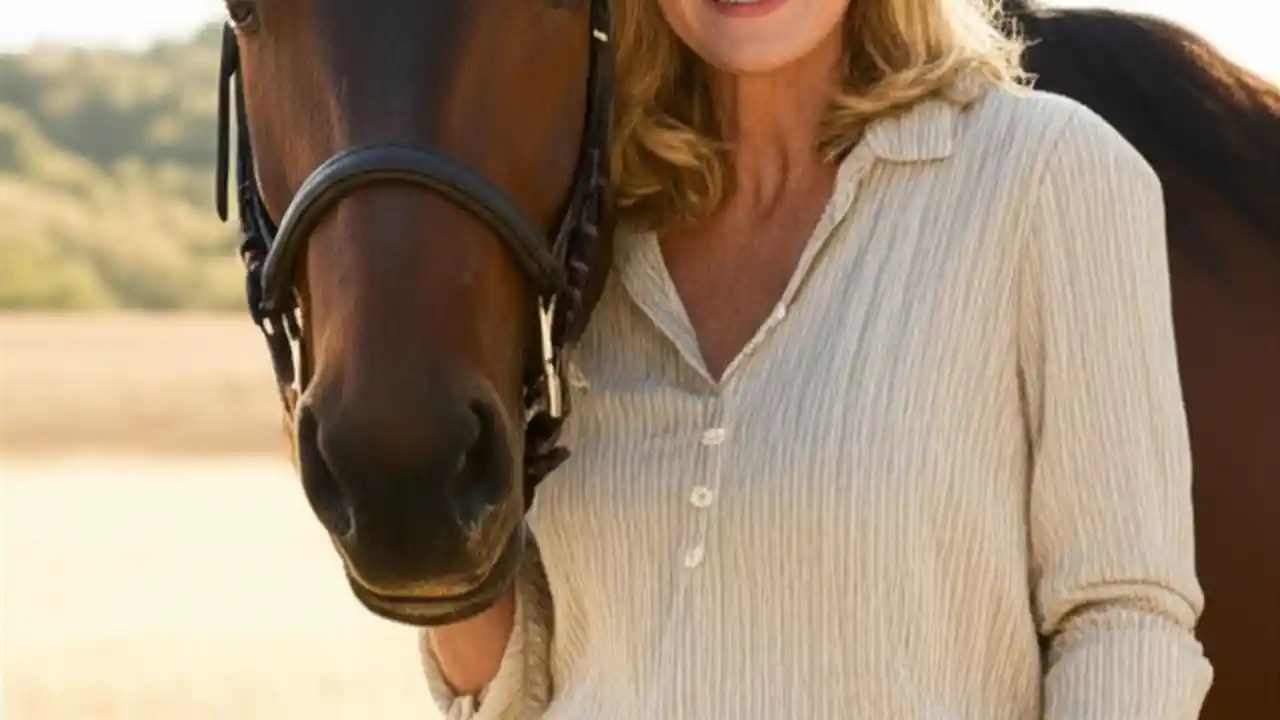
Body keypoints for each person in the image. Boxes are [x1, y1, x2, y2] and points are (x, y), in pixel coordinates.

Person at [420, 0, 1213, 717]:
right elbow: (525, 682)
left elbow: (1122, 622)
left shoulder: (1050, 177)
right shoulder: (580, 231)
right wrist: (415, 527)